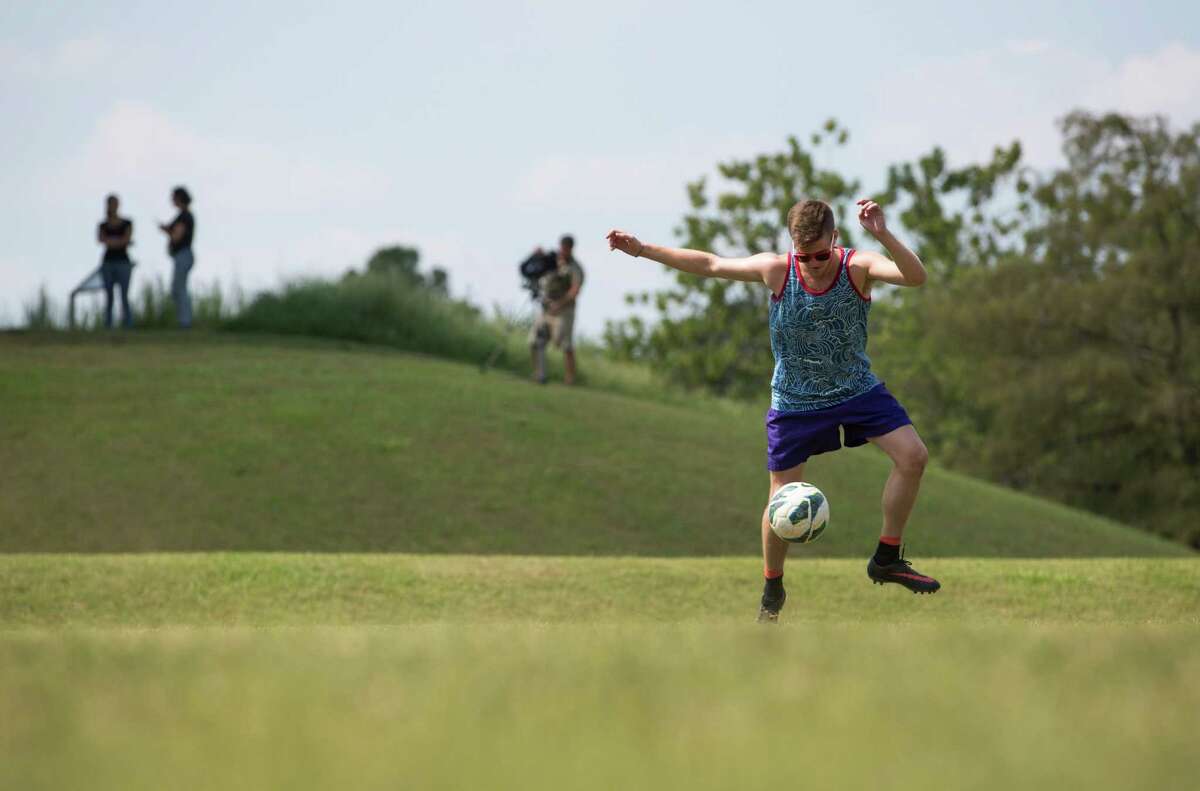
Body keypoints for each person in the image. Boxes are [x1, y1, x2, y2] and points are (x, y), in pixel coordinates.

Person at [606, 198, 941, 624]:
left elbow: (916, 277)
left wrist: (883, 233)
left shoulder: (858, 266)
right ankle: (772, 588)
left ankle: (887, 557)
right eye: (806, 256)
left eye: (822, 254)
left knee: (914, 456)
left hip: (856, 390)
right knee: (780, 502)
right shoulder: (778, 270)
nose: (815, 264)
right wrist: (641, 249)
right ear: (792, 247)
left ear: (834, 240)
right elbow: (709, 264)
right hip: (795, 402)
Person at [528, 234, 584, 385]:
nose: (562, 250)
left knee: (565, 345)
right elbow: (538, 269)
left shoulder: (575, 268)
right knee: (535, 340)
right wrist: (536, 255)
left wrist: (559, 304)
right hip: (546, 308)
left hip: (564, 311)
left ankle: (570, 379)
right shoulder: (552, 261)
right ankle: (539, 374)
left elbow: (575, 290)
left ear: (571, 248)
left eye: (565, 248)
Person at [159, 186, 195, 328]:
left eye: (173, 197)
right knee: (178, 288)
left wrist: (168, 231)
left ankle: (185, 322)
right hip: (182, 255)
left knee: (179, 288)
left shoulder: (184, 215)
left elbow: (177, 236)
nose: (171, 200)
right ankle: (184, 320)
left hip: (183, 255)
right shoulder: (184, 215)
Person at [96, 193, 135, 328]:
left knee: (124, 295)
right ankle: (108, 325)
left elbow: (126, 239)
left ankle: (128, 324)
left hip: (123, 262)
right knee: (109, 296)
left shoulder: (127, 223)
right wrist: (119, 241)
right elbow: (101, 239)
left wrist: (113, 241)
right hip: (108, 262)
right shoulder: (103, 224)